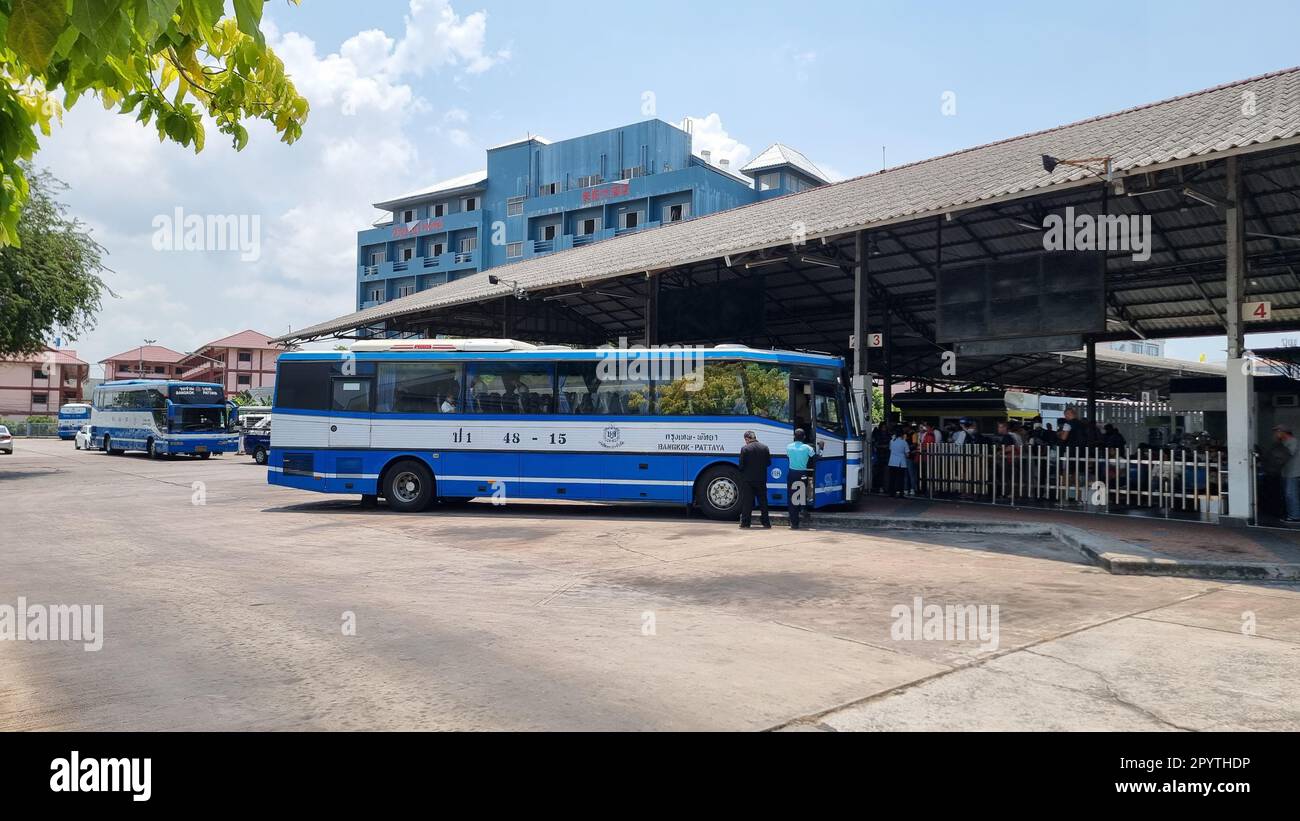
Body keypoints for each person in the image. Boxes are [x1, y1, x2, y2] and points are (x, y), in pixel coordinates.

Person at [738, 430, 772, 529]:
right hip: (761, 479)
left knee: (747, 502)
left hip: (748, 480)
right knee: (763, 502)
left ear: (747, 439)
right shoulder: (764, 447)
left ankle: (745, 523)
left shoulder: (745, 449)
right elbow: (768, 463)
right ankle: (766, 523)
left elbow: (741, 466)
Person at [785, 428, 817, 529]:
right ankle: (803, 508)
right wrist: (821, 447)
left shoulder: (789, 447)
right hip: (803, 473)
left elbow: (788, 456)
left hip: (792, 473)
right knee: (802, 492)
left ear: (794, 436)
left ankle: (794, 523)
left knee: (792, 498)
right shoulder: (807, 448)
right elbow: (815, 456)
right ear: (804, 437)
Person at [1275, 425, 1300, 523]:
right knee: (1288, 494)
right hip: (1286, 472)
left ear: (1284, 432)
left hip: (1293, 472)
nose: (1276, 434)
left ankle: (1295, 516)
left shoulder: (1293, 441)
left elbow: (1286, 454)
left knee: (1291, 494)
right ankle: (1292, 514)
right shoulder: (1284, 442)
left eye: (1278, 431)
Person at [888, 428, 910, 498]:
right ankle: (901, 493)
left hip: (892, 462)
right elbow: (907, 454)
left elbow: (890, 449)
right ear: (902, 434)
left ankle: (892, 493)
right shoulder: (904, 442)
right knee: (900, 479)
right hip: (900, 463)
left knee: (892, 478)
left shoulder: (892, 441)